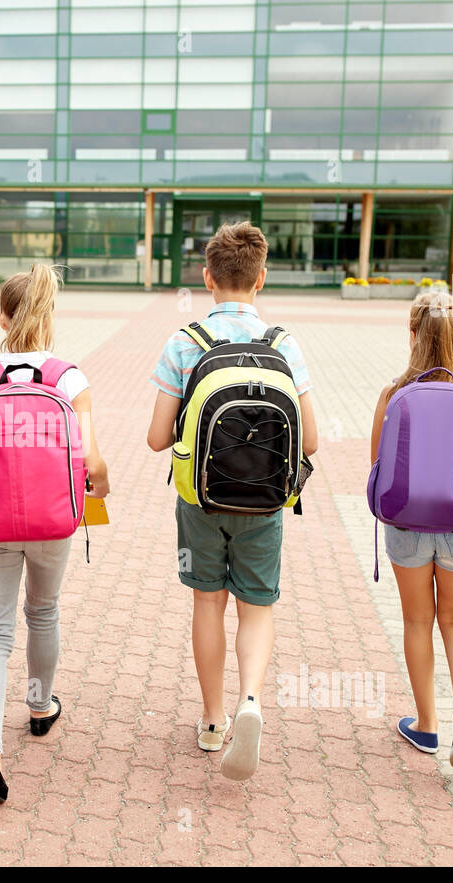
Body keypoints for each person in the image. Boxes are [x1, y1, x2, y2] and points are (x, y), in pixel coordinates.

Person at [145, 223, 318, 780]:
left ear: (207, 278)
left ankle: (214, 719)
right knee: (256, 607)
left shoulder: (185, 342)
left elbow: (155, 437)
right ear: (261, 279)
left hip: (200, 500)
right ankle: (250, 701)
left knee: (207, 604)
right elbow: (309, 441)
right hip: (265, 503)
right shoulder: (284, 345)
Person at [0, 263, 109, 805]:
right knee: (43, 613)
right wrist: (101, 492)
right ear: (50, 319)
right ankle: (40, 708)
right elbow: (93, 464)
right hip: (53, 521)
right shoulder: (70, 381)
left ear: (1, 317)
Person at [370, 291, 453, 772]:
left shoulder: (393, 393)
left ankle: (426, 725)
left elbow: (378, 468)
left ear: (412, 335)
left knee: (416, 622)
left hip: (406, 525)